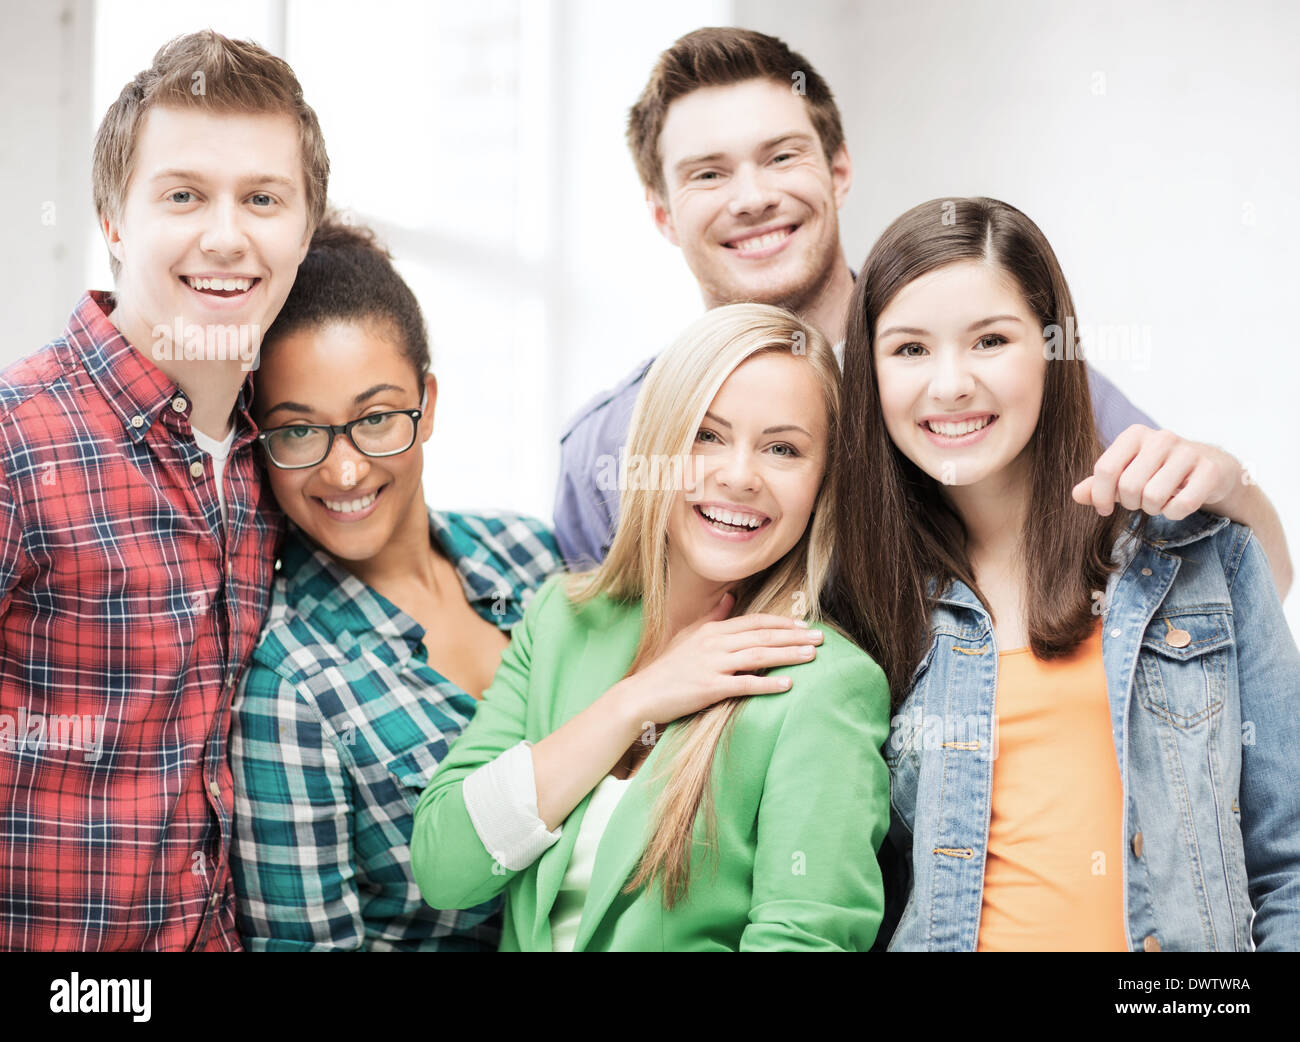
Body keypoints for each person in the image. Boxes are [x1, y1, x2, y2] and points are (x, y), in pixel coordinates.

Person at [553, 26, 1292, 599]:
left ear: (838, 170)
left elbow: (1252, 581)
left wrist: (1231, 482)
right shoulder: (606, 450)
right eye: (708, 174)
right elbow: (604, 684)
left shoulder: (994, 379)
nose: (752, 197)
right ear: (662, 214)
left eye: (781, 157)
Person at [831, 196, 1300, 951]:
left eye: (990, 340)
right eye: (910, 349)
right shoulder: (854, 603)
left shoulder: (1197, 557)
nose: (949, 385)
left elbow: (1289, 864)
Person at [411, 304, 891, 951]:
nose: (739, 476)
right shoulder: (563, 619)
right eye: (707, 435)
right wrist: (636, 699)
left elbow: (806, 937)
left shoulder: (825, 685)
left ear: (822, 483)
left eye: (783, 448)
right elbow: (445, 868)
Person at [0, 31, 327, 950]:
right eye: (183, 195)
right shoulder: (15, 440)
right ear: (112, 220)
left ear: (304, 231)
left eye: (263, 199)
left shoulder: (283, 463)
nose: (226, 235)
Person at [229, 218, 562, 950]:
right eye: (297, 431)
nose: (344, 470)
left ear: (429, 403)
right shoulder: (291, 686)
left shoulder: (533, 557)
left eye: (376, 418)